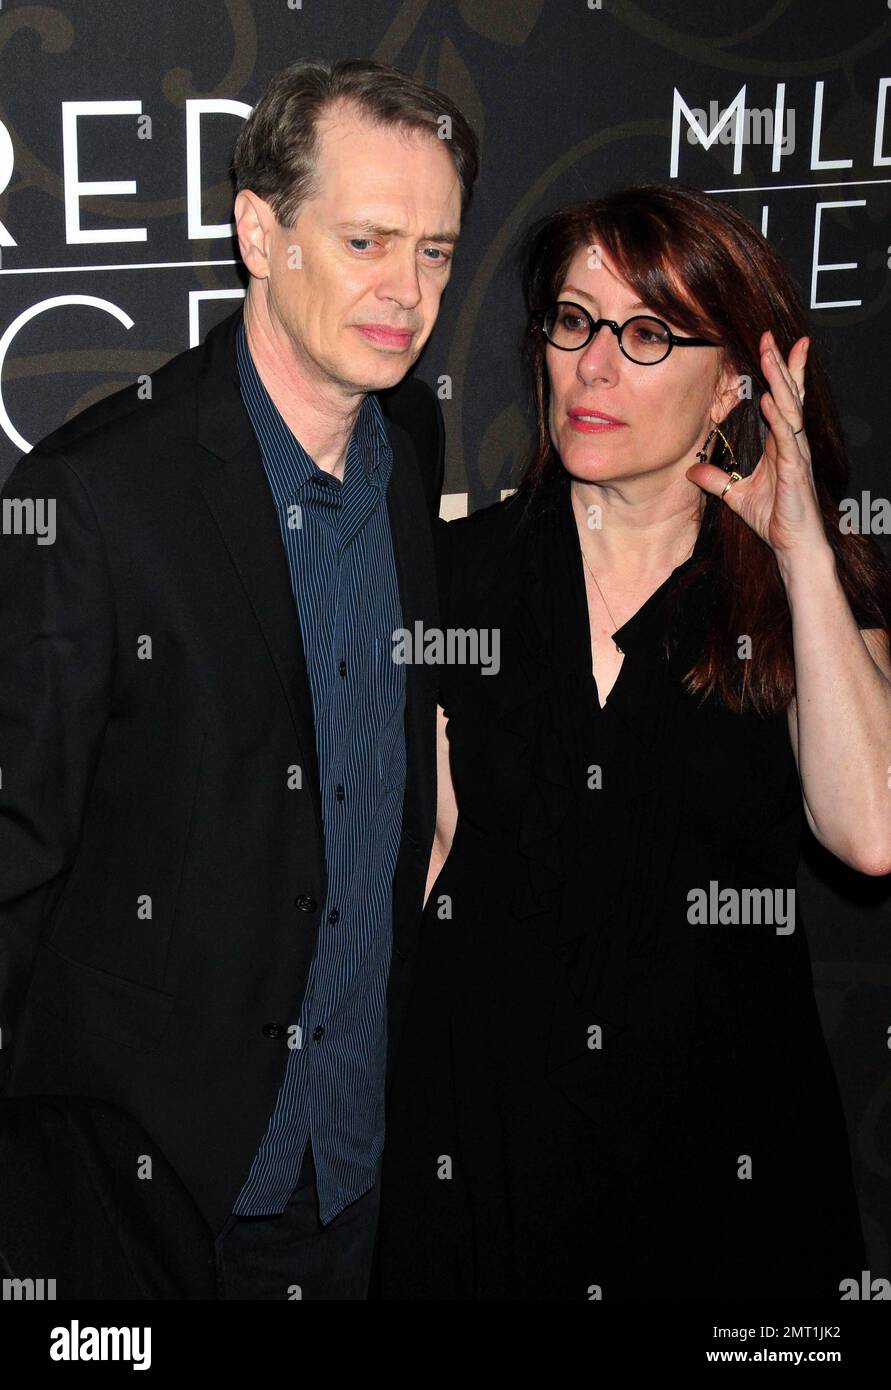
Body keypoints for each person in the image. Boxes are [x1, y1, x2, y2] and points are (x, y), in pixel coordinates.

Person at [0, 57, 478, 1299]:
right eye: (369, 239)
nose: (406, 292)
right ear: (259, 231)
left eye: (435, 250)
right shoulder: (95, 497)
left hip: (360, 1159)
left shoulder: (410, 437)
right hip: (152, 1193)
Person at [375, 184, 891, 1300]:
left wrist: (800, 549)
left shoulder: (804, 598)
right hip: (488, 1151)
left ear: (731, 388)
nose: (593, 365)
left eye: (647, 334)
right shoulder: (455, 570)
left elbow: (870, 833)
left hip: (722, 1168)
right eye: (573, 320)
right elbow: (421, 866)